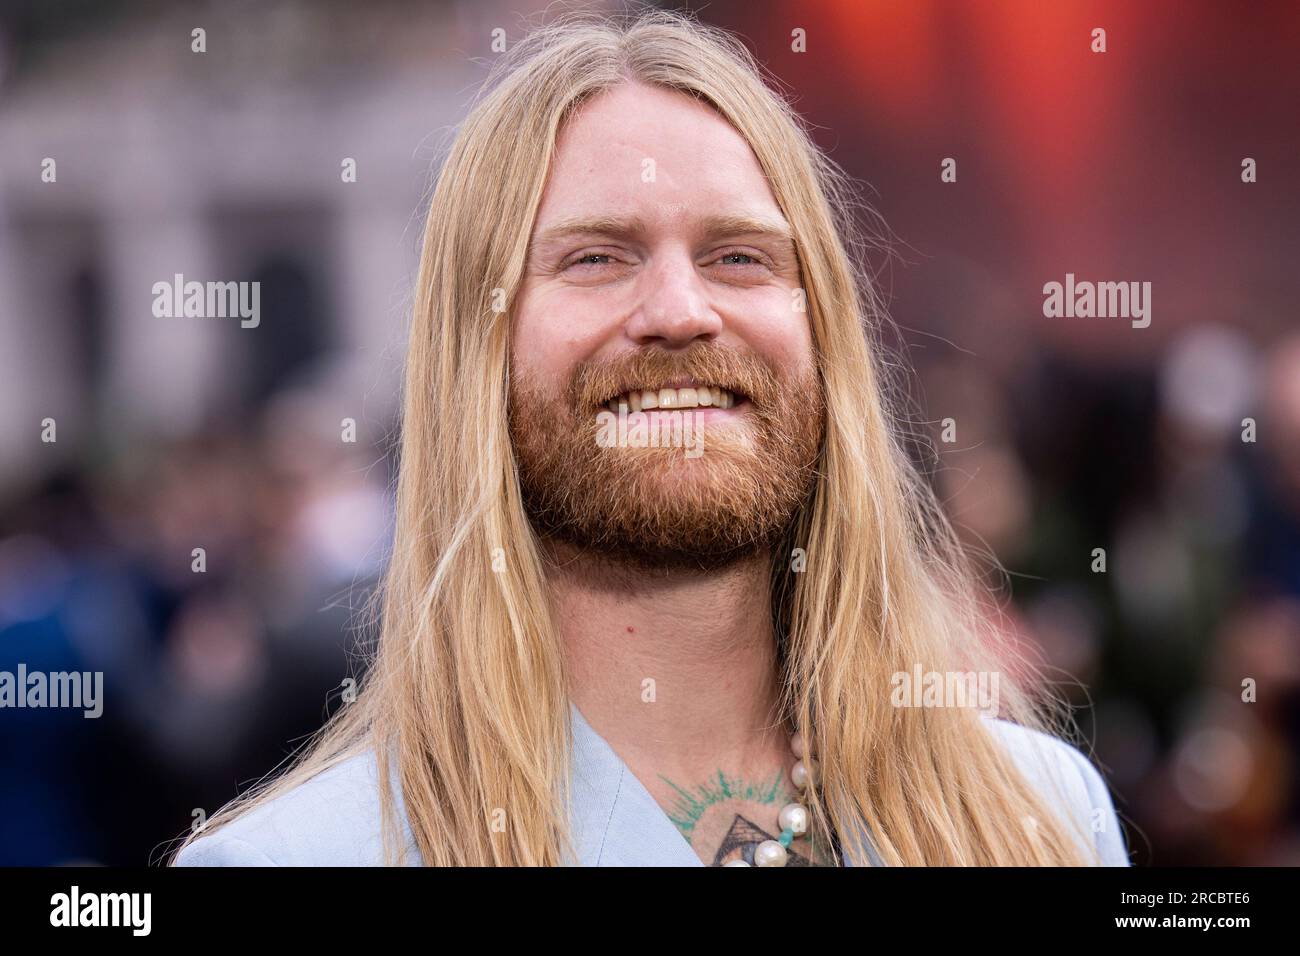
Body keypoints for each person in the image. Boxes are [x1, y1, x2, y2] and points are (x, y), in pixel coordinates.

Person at [173, 9, 1129, 867]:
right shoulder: (289, 862)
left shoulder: (1041, 818)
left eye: (739, 257)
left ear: (825, 332)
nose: (680, 311)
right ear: (476, 354)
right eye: (596, 257)